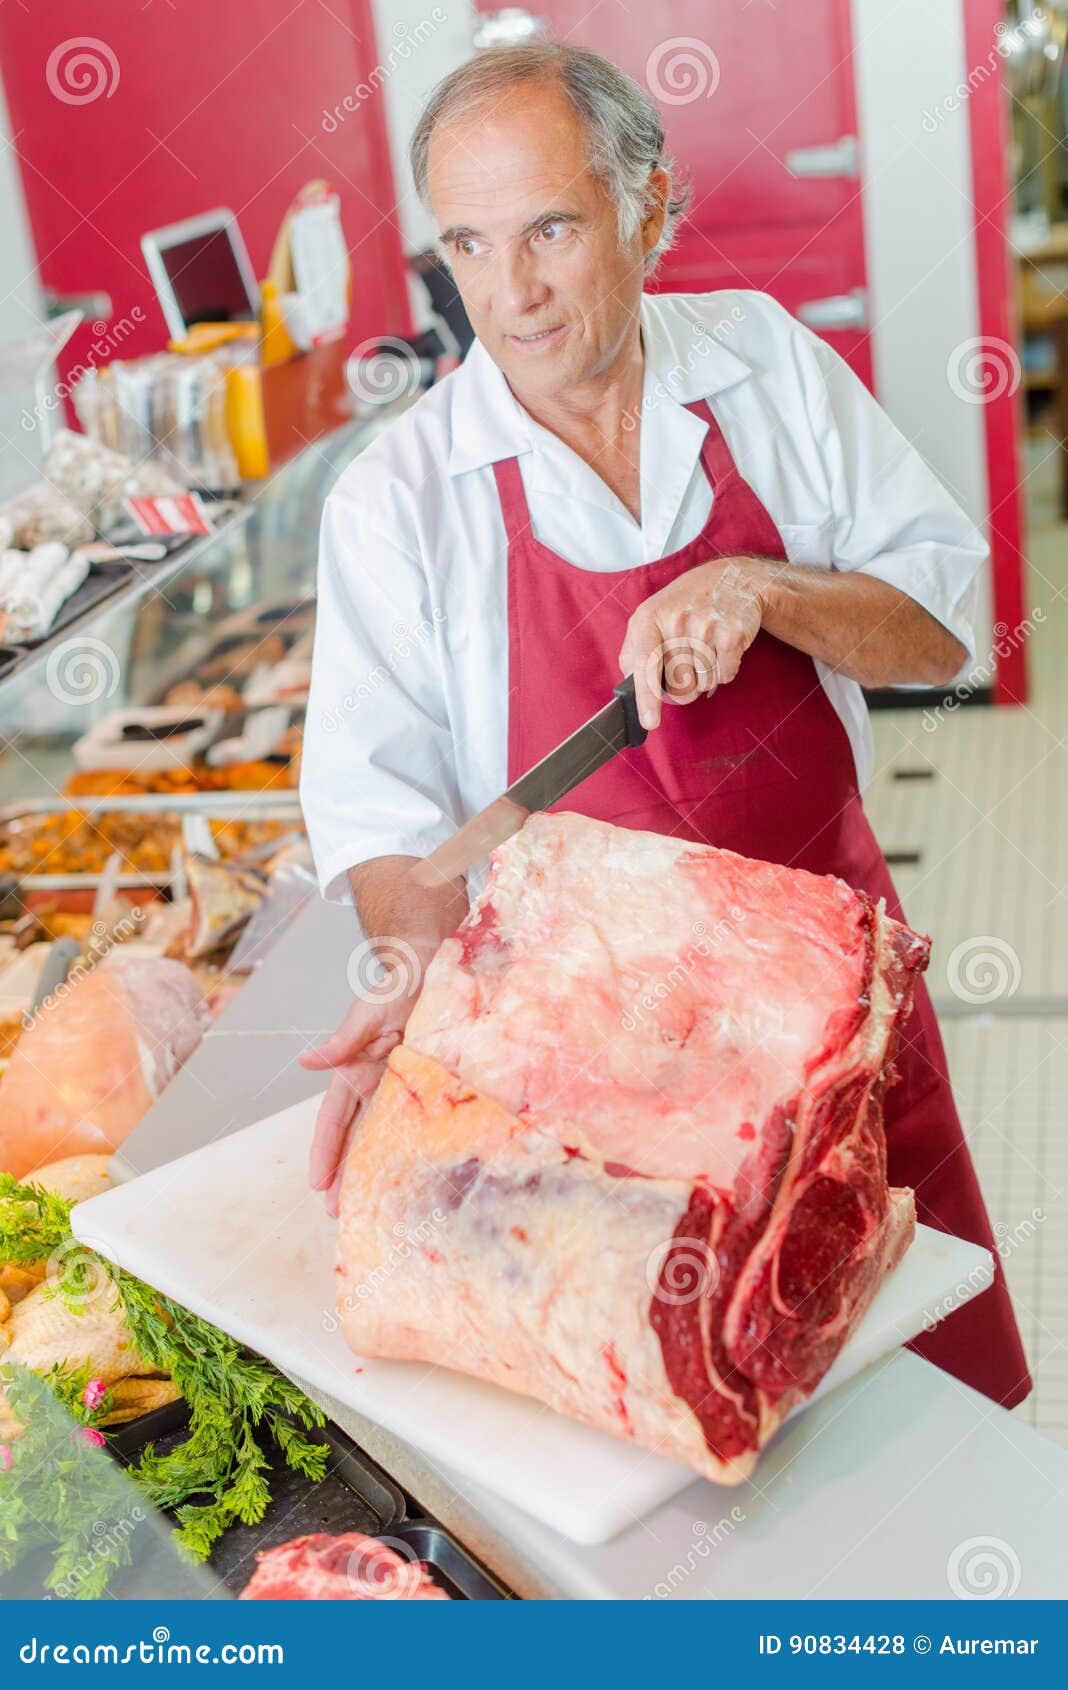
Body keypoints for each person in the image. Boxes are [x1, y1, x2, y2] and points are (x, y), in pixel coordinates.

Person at [299, 40, 1030, 1409]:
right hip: (599, 1066)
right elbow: (388, 834)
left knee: (926, 1397)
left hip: (834, 1010)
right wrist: (412, 983)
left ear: (652, 204)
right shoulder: (397, 501)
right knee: (701, 1413)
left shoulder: (765, 361)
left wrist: (764, 587)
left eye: (552, 231)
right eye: (467, 244)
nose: (508, 293)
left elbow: (938, 627)